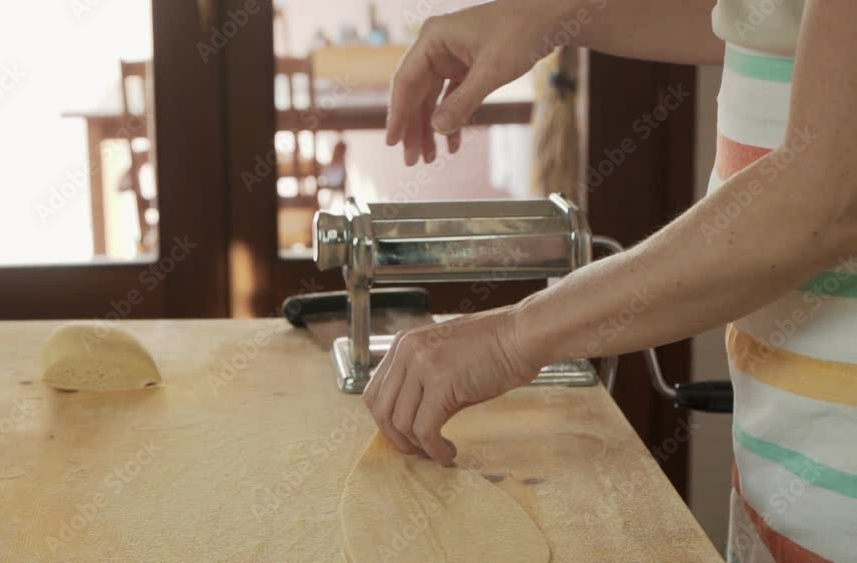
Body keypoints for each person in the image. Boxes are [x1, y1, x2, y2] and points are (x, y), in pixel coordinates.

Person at [363, 1, 856, 561]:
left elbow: (825, 198)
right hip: (783, 467)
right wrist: (549, 16)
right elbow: (768, 16)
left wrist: (512, 339)